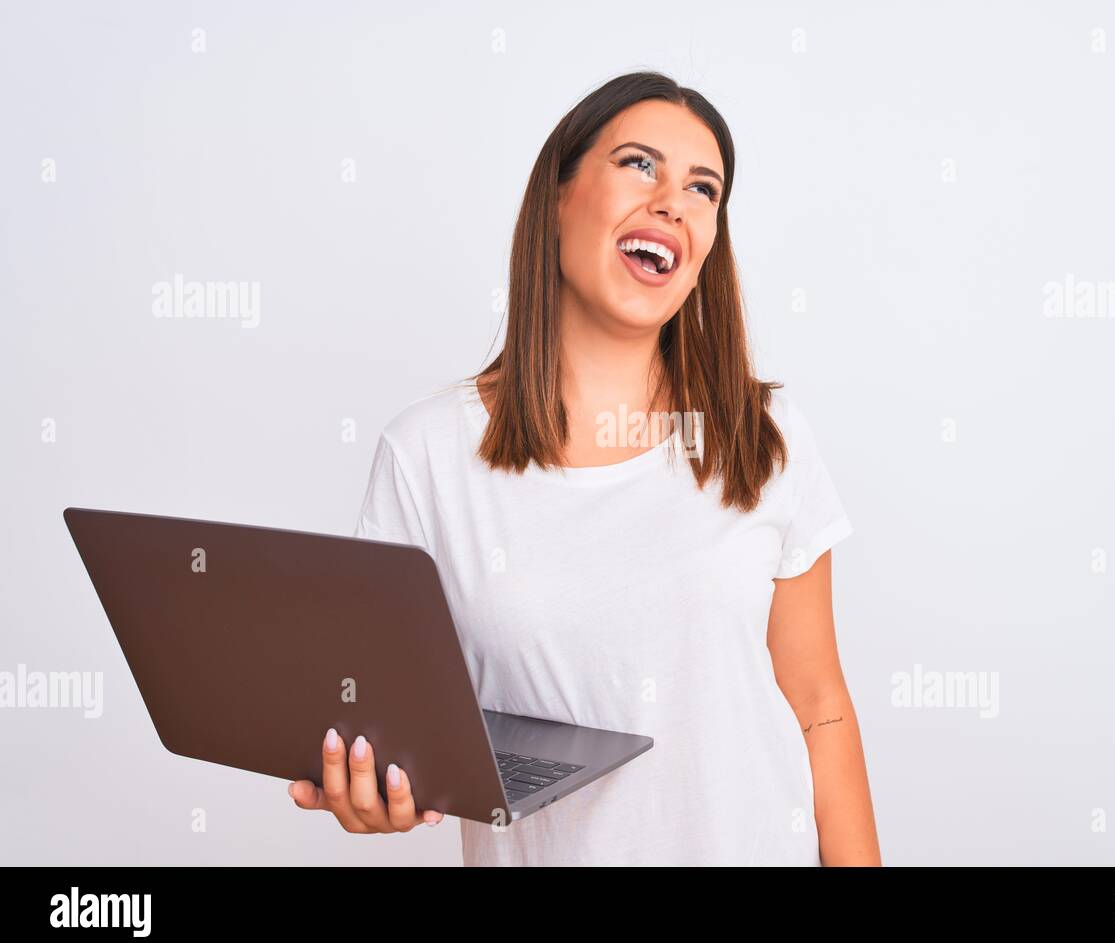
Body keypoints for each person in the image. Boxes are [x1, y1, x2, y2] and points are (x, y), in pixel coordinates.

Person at [288, 70, 881, 866]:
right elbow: (378, 722)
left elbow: (819, 708)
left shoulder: (760, 436)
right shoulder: (426, 455)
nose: (675, 201)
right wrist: (372, 782)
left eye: (704, 188)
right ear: (558, 197)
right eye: (641, 164)